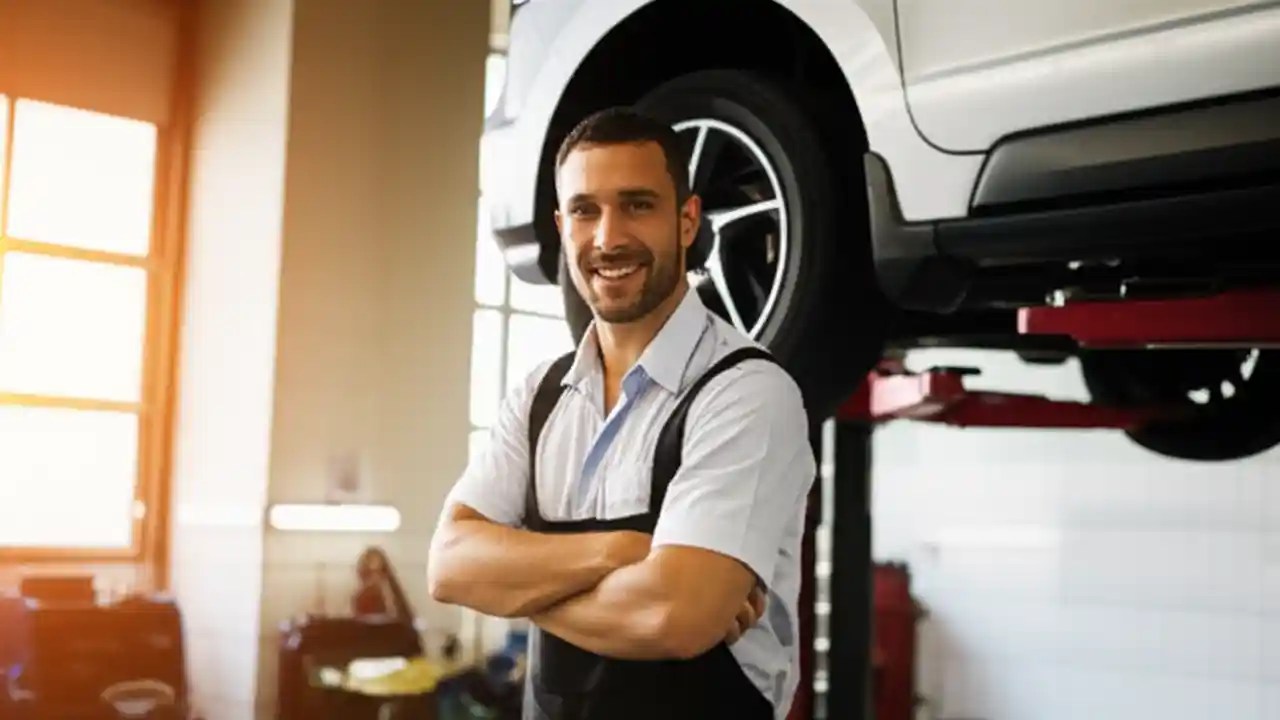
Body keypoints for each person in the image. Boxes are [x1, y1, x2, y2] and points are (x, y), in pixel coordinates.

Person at [428, 107, 816, 720]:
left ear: (687, 220)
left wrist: (513, 586)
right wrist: (624, 552)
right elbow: (449, 564)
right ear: (562, 226)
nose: (608, 238)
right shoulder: (538, 397)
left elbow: (673, 616)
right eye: (585, 210)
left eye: (637, 205)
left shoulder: (746, 394)